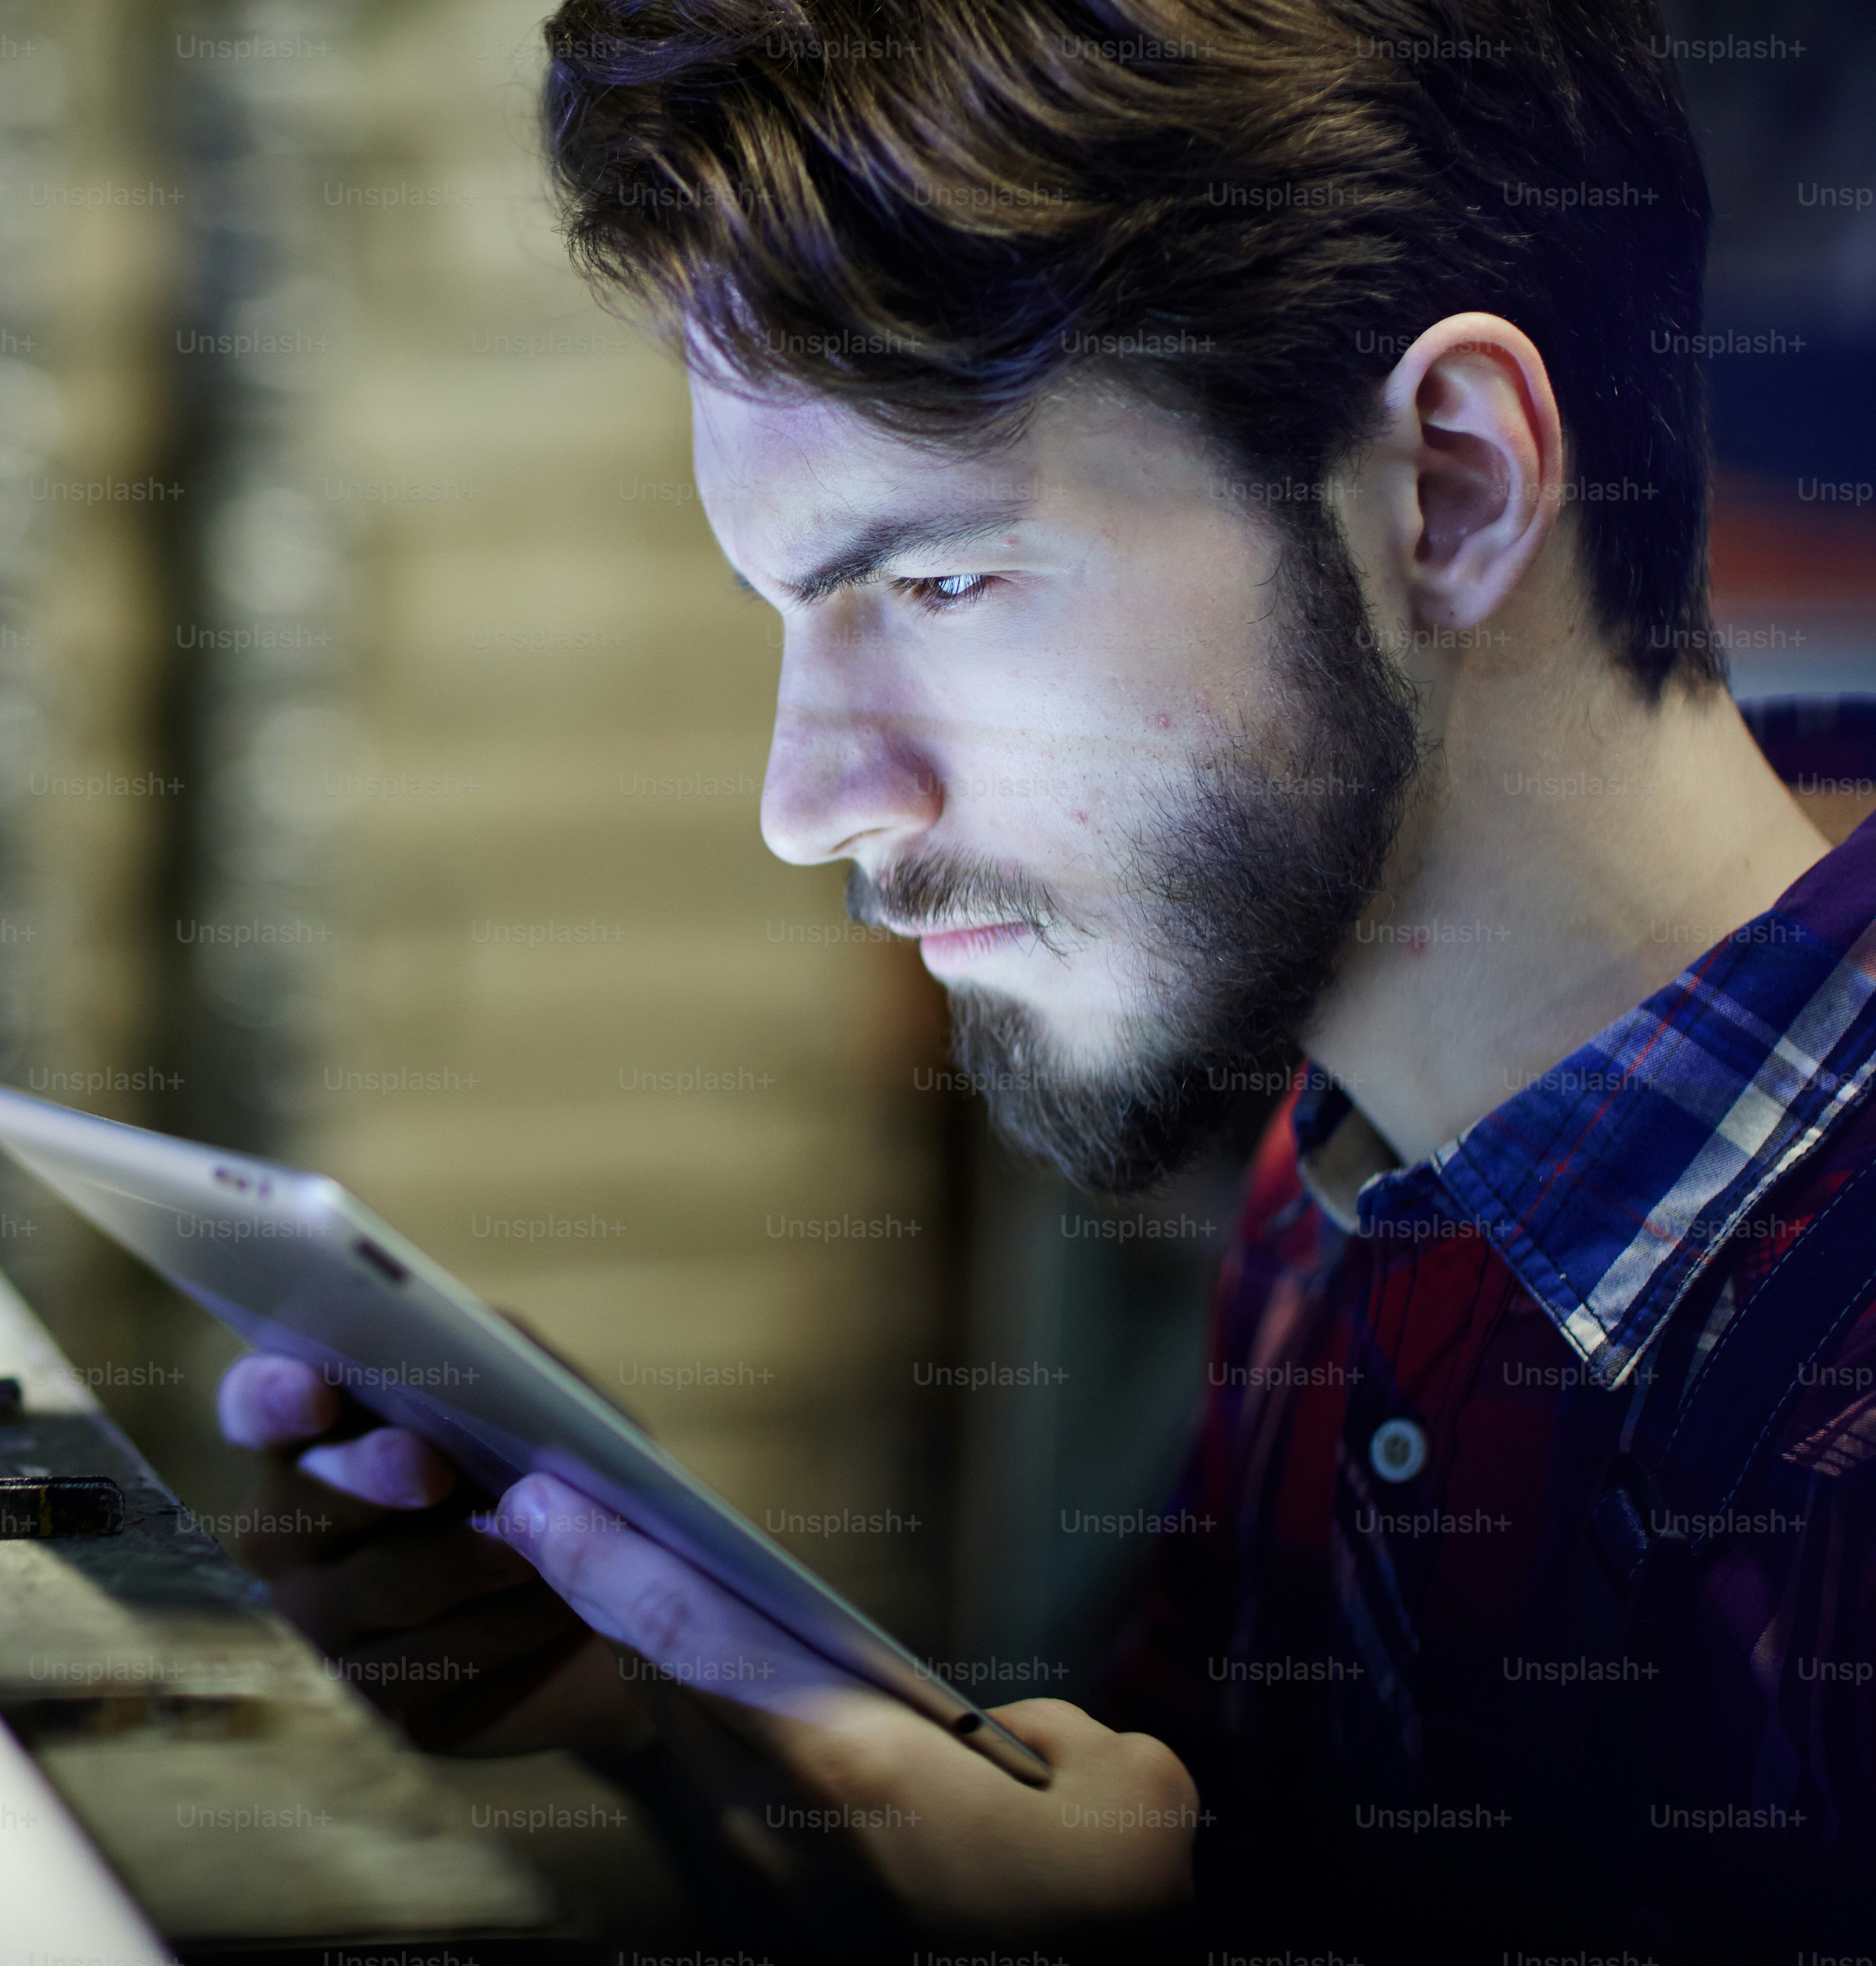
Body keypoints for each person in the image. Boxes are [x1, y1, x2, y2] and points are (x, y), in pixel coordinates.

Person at [212, 2, 1876, 1957]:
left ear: (1451, 484)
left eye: (936, 583)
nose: (806, 804)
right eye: (793, 611)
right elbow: (1180, 1844)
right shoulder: (1346, 1168)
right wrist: (689, 1697)